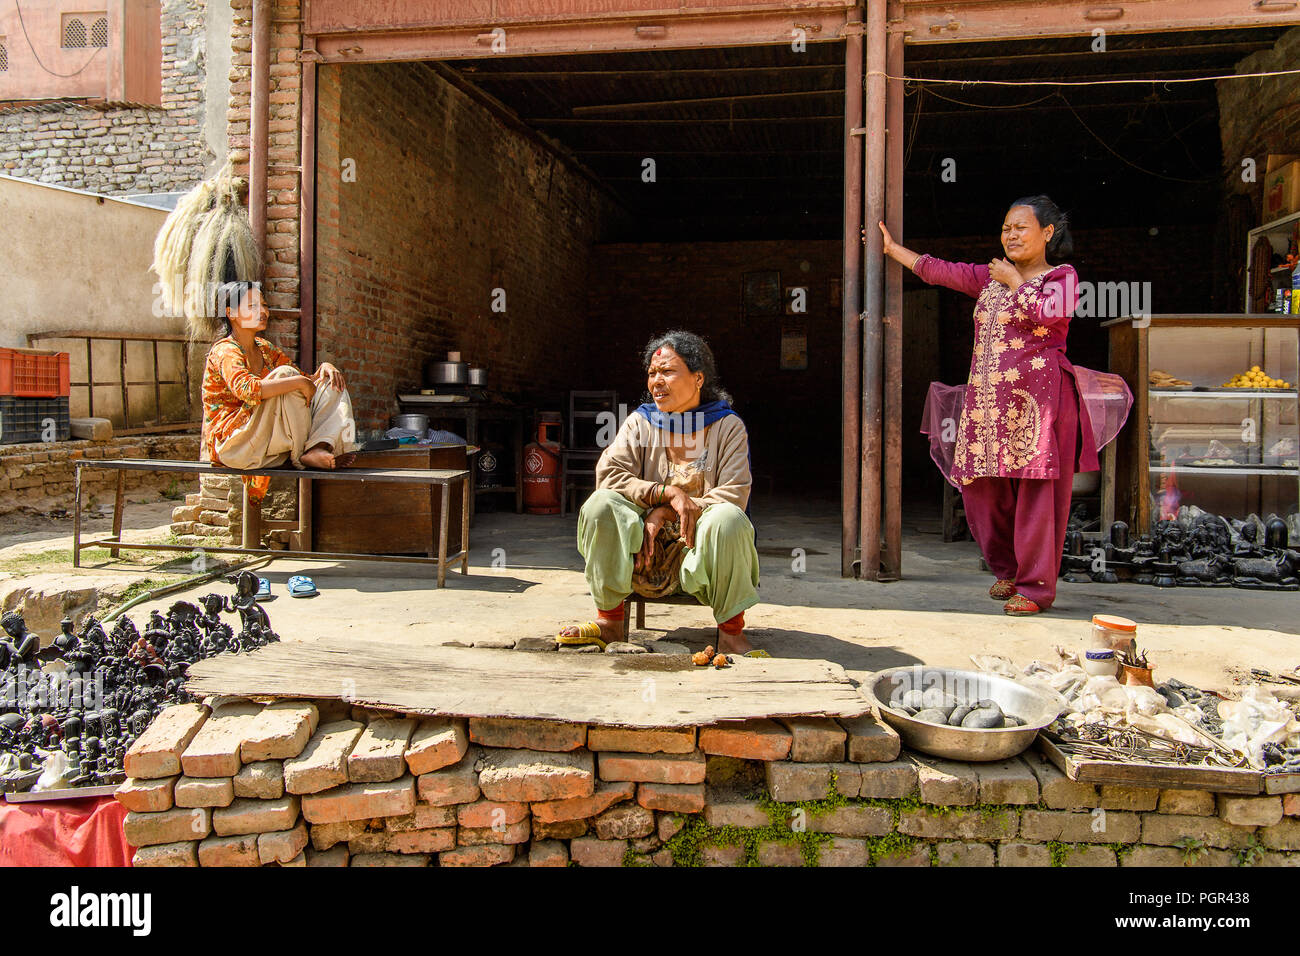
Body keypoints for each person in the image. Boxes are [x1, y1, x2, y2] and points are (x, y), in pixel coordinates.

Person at [878, 196, 1100, 615]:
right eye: (1006, 228)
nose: (1011, 235)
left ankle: (1035, 589)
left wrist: (1016, 281)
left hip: (1042, 404)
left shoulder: (1062, 277)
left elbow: (1049, 314)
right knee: (982, 490)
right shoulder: (990, 278)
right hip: (988, 405)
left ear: (1047, 233)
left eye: (1020, 227)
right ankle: (1008, 570)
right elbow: (940, 271)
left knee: (1037, 495)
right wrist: (893, 250)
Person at [559, 331, 760, 653]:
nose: (657, 381)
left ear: (697, 378)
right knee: (600, 504)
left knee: (728, 518)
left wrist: (669, 509)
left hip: (698, 549)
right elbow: (608, 475)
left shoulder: (727, 425)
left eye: (667, 371)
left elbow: (734, 492)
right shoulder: (641, 422)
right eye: (652, 373)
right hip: (642, 548)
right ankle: (609, 621)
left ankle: (731, 634)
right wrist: (664, 494)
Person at [200, 281, 358, 503]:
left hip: (263, 438)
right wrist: (299, 381)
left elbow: (306, 382)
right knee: (285, 376)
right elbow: (247, 389)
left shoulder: (265, 348)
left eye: (264, 305)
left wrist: (324, 369)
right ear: (231, 313)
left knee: (331, 383)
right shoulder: (225, 350)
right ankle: (302, 456)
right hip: (235, 446)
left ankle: (317, 447)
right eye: (253, 306)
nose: (263, 311)